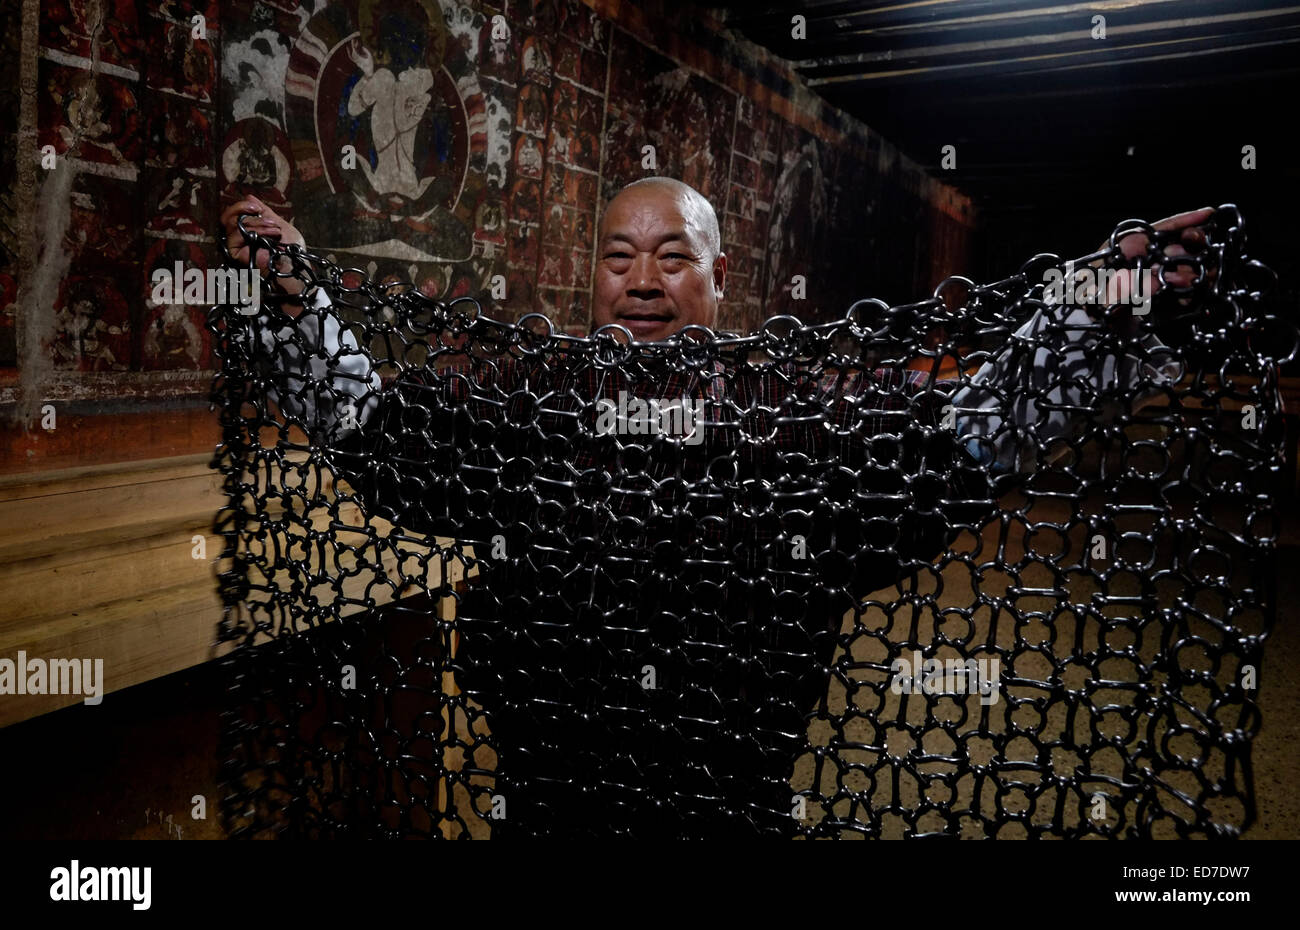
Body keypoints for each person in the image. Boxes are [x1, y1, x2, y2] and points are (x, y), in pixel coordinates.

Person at [219, 179, 1208, 837]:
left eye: (673, 257)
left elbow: (951, 448)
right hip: (551, 809)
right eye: (619, 257)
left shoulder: (797, 428)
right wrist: (299, 307)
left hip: (730, 814)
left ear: (721, 278)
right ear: (591, 274)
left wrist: (1089, 312)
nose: (643, 282)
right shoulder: (526, 411)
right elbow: (383, 441)